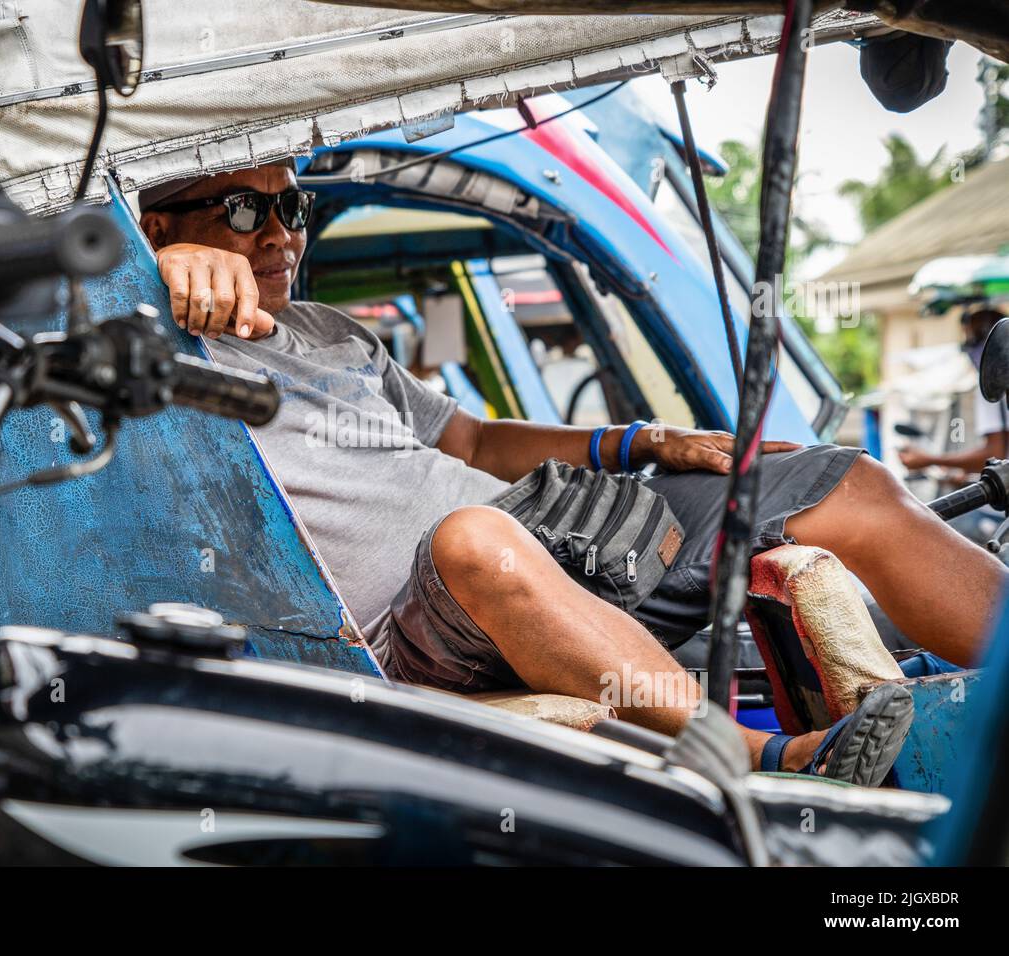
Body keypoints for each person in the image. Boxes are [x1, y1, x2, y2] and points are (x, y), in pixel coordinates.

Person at [138, 161, 1007, 786]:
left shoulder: (333, 332)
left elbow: (475, 443)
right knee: (481, 542)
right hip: (425, 627)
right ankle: (764, 760)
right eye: (245, 211)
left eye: (291, 203)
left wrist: (641, 440)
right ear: (160, 226)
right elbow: (34, 302)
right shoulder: (134, 347)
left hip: (563, 533)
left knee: (847, 484)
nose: (285, 233)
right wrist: (142, 276)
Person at [900, 308, 1009, 477]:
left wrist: (930, 459)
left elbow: (996, 455)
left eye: (971, 341)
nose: (968, 349)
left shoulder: (993, 383)